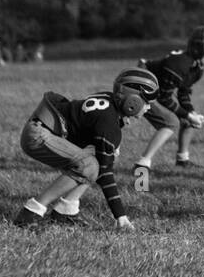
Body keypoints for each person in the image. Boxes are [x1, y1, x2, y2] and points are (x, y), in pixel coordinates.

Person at [13, 67, 155, 230]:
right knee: (89, 166)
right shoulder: (108, 124)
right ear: (133, 101)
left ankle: (66, 210)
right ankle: (31, 211)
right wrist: (121, 217)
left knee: (95, 162)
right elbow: (105, 173)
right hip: (38, 135)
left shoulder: (109, 102)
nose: (149, 108)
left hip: (42, 128)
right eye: (147, 102)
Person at [130, 26, 204, 182]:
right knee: (170, 123)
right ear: (199, 50)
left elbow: (183, 93)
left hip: (153, 89)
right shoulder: (179, 64)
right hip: (138, 87)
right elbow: (164, 97)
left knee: (189, 119)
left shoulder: (197, 67)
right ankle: (142, 165)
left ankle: (182, 160)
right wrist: (187, 115)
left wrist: (191, 113)